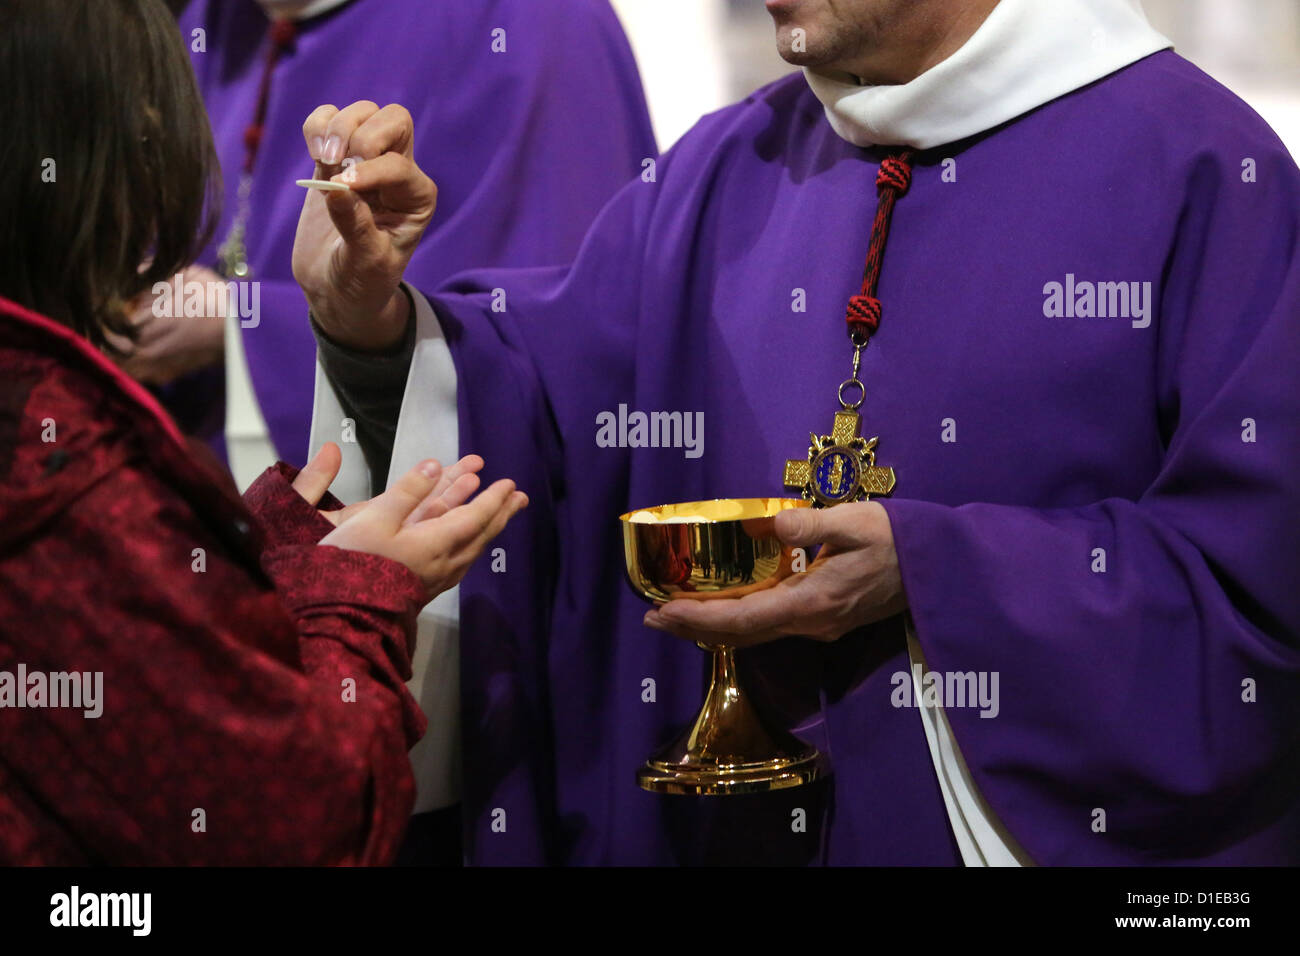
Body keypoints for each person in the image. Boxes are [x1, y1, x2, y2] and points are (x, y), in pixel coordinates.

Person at [298, 0, 1300, 865]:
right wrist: (374, 318)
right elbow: (550, 404)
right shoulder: (726, 164)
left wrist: (933, 567)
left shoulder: (1201, 169)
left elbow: (1254, 585)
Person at [0, 0, 525, 865]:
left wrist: (261, 561)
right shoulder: (68, 474)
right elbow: (295, 822)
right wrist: (357, 594)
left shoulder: (526, 26)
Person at [146, 0, 655, 860]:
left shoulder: (532, 24)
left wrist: (241, 324)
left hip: (427, 658)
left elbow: (538, 353)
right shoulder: (208, 22)